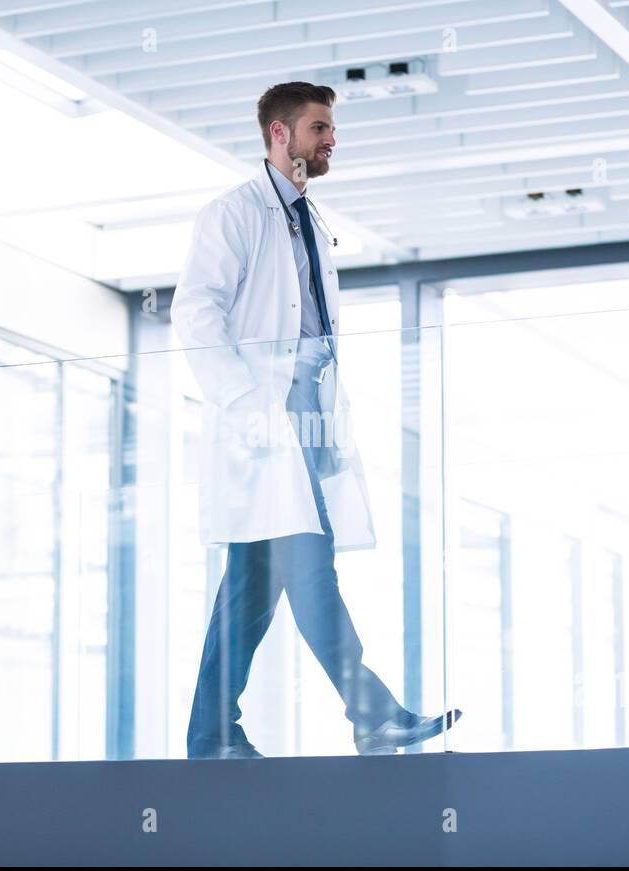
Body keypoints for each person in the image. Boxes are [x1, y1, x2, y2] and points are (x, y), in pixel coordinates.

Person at [170, 80, 462, 759]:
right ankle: (372, 715)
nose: (331, 140)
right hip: (261, 431)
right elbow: (194, 312)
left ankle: (211, 737)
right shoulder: (236, 213)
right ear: (280, 135)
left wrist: (319, 431)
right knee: (307, 568)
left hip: (304, 427)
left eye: (330, 130)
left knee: (251, 585)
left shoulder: (309, 220)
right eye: (318, 129)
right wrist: (250, 406)